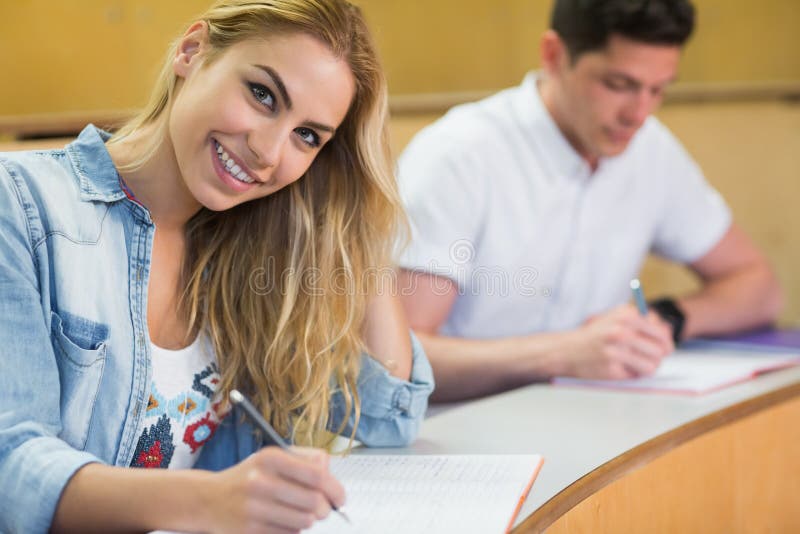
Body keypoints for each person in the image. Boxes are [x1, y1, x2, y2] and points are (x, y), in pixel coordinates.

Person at [0, 1, 434, 532]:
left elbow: (388, 414)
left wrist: (353, 208)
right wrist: (210, 502)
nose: (268, 152)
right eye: (262, 94)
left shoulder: (254, 252)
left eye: (308, 136)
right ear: (192, 51)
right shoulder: (20, 204)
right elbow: (10, 466)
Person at [397, 0, 782, 402]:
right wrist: (562, 354)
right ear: (554, 55)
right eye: (619, 85)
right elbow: (397, 358)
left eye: (658, 89)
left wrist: (662, 321)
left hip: (593, 421)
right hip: (459, 434)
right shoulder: (459, 156)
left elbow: (759, 287)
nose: (639, 113)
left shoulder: (650, 149)